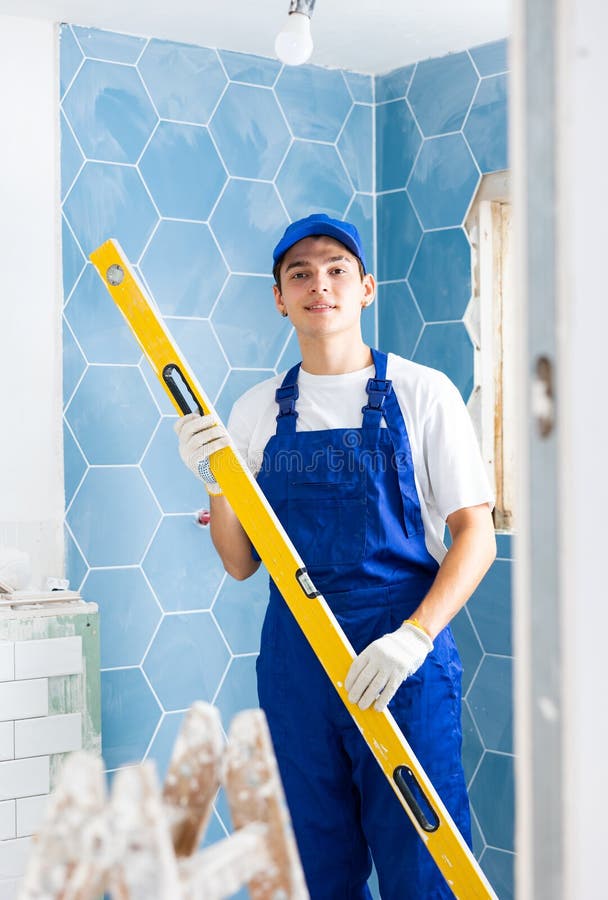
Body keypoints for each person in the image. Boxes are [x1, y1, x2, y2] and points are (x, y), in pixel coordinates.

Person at [175, 213, 496, 899]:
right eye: (300, 274)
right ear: (279, 298)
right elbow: (239, 562)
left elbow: (477, 534)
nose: (319, 284)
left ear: (366, 288)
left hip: (401, 663)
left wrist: (414, 638)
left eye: (336, 269)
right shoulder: (256, 411)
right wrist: (215, 480)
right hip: (298, 671)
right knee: (313, 871)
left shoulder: (423, 393)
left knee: (425, 869)